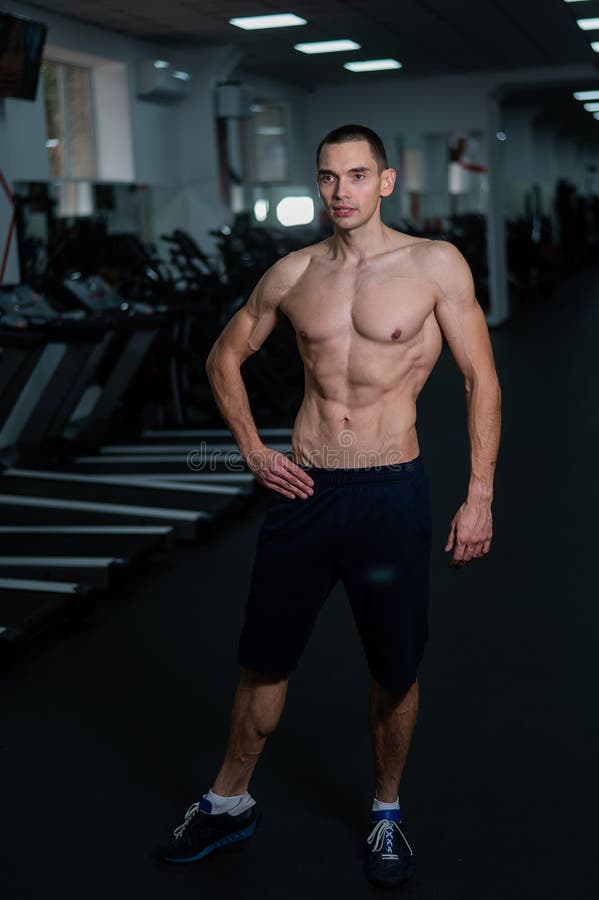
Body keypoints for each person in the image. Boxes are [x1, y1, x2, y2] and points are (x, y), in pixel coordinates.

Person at [154, 124, 501, 889]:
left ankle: (384, 813)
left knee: (394, 667)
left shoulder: (433, 264)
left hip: (388, 492)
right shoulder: (292, 272)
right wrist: (251, 452)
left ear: (383, 182)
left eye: (355, 174)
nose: (339, 190)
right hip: (304, 493)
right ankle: (228, 801)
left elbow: (482, 381)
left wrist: (478, 496)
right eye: (326, 177)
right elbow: (223, 357)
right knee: (264, 657)